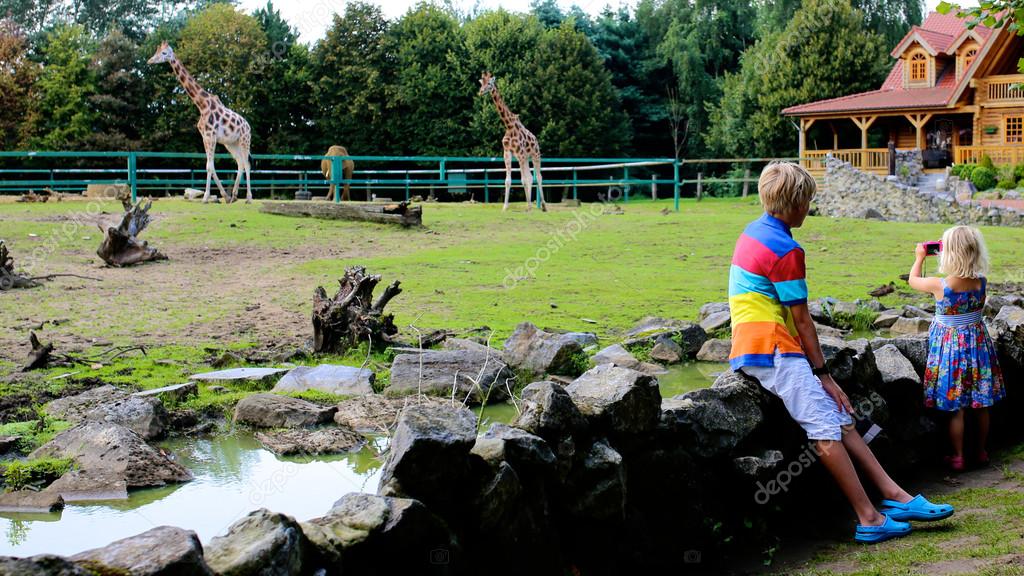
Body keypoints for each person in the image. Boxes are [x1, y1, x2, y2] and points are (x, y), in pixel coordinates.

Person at [729, 162, 954, 543]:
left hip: (759, 343)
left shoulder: (753, 232)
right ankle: (868, 518)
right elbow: (803, 323)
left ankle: (895, 496)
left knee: (841, 415)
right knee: (824, 429)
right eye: (807, 201)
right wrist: (824, 375)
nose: (809, 208)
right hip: (773, 349)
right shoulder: (785, 248)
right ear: (794, 203)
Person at [909, 226, 1005, 471]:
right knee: (982, 405)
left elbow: (912, 280)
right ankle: (981, 452)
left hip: (951, 352)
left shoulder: (941, 285)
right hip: (978, 347)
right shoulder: (981, 282)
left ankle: (958, 456)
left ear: (948, 254)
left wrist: (920, 257)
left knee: (956, 408)